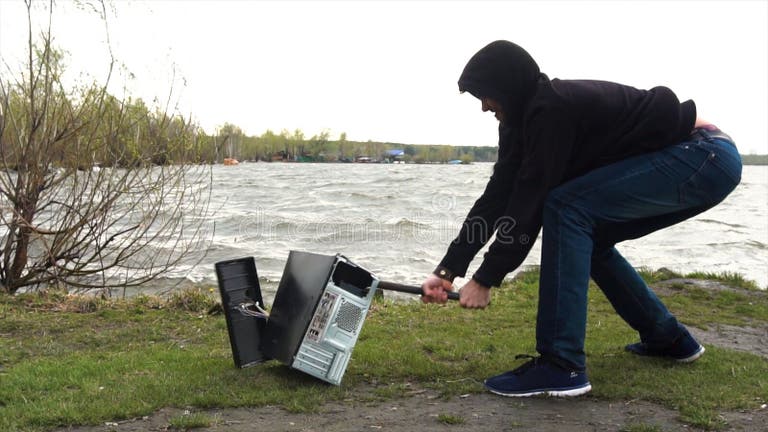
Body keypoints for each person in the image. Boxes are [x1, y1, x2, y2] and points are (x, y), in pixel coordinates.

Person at [420, 40, 742, 397]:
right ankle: (667, 338)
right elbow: (498, 197)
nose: (483, 107)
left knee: (564, 207)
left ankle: (562, 364)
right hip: (702, 160)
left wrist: (486, 278)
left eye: (487, 95)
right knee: (590, 236)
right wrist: (448, 270)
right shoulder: (520, 121)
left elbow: (532, 200)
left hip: (702, 154)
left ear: (508, 88)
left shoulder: (551, 109)